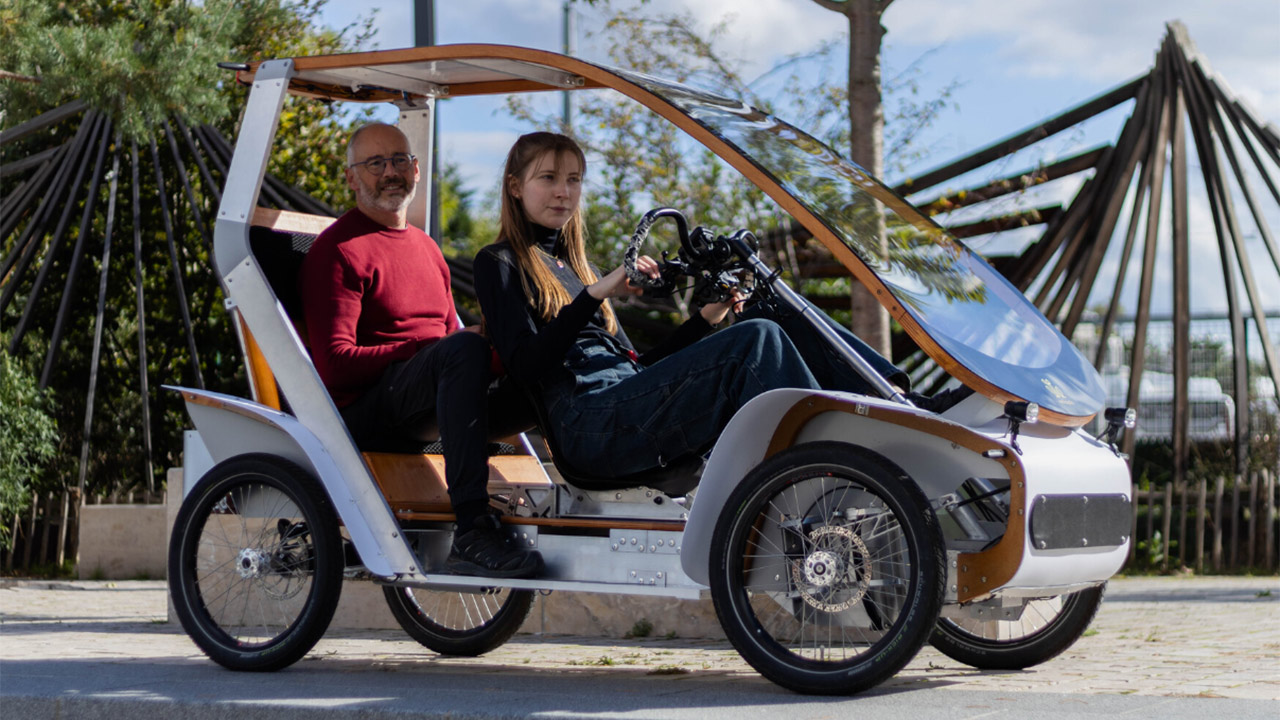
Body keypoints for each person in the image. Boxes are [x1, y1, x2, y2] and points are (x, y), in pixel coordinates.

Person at [473, 131, 968, 481]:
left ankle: (901, 403)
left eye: (574, 179)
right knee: (756, 340)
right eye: (548, 178)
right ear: (515, 186)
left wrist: (704, 320)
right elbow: (526, 366)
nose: (563, 192)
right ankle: (836, 453)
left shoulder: (577, 268)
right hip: (588, 427)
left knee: (769, 310)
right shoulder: (498, 263)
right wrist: (594, 296)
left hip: (624, 405)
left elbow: (640, 368)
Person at [300, 122, 541, 578]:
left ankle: (596, 490)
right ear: (351, 178)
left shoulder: (426, 247)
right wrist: (428, 347)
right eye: (375, 164)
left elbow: (455, 345)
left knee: (539, 361)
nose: (390, 172)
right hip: (369, 412)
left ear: (415, 170)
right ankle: (472, 528)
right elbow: (335, 367)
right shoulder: (337, 251)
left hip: (432, 395)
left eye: (399, 161)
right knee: (461, 349)